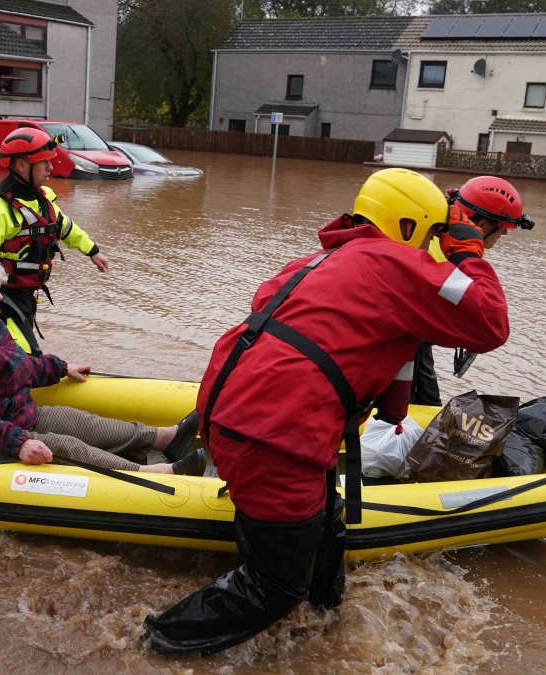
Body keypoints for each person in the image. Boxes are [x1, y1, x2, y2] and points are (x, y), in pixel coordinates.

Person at [143, 168, 514, 654]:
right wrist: (469, 253)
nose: (432, 247)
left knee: (327, 523)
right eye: (430, 235)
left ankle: (322, 623)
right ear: (408, 227)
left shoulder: (322, 258)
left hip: (238, 416)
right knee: (274, 587)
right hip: (272, 437)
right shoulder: (400, 267)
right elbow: (491, 323)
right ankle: (154, 644)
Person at [0, 254, 205, 475]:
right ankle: (152, 473)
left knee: (78, 421)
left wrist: (58, 367)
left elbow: (18, 365)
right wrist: (19, 443)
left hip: (13, 416)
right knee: (67, 446)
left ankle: (166, 438)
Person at [0, 127, 110, 355]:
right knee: (23, 356)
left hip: (25, 296)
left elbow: (64, 226)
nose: (51, 168)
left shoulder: (42, 200)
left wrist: (93, 251)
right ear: (22, 165)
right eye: (45, 163)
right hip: (0, 299)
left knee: (23, 352)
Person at [410, 176, 534, 406]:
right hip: (410, 346)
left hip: (410, 342)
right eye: (503, 228)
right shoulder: (448, 254)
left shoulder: (438, 233)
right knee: (425, 411)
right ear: (484, 226)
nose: (504, 235)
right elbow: (491, 323)